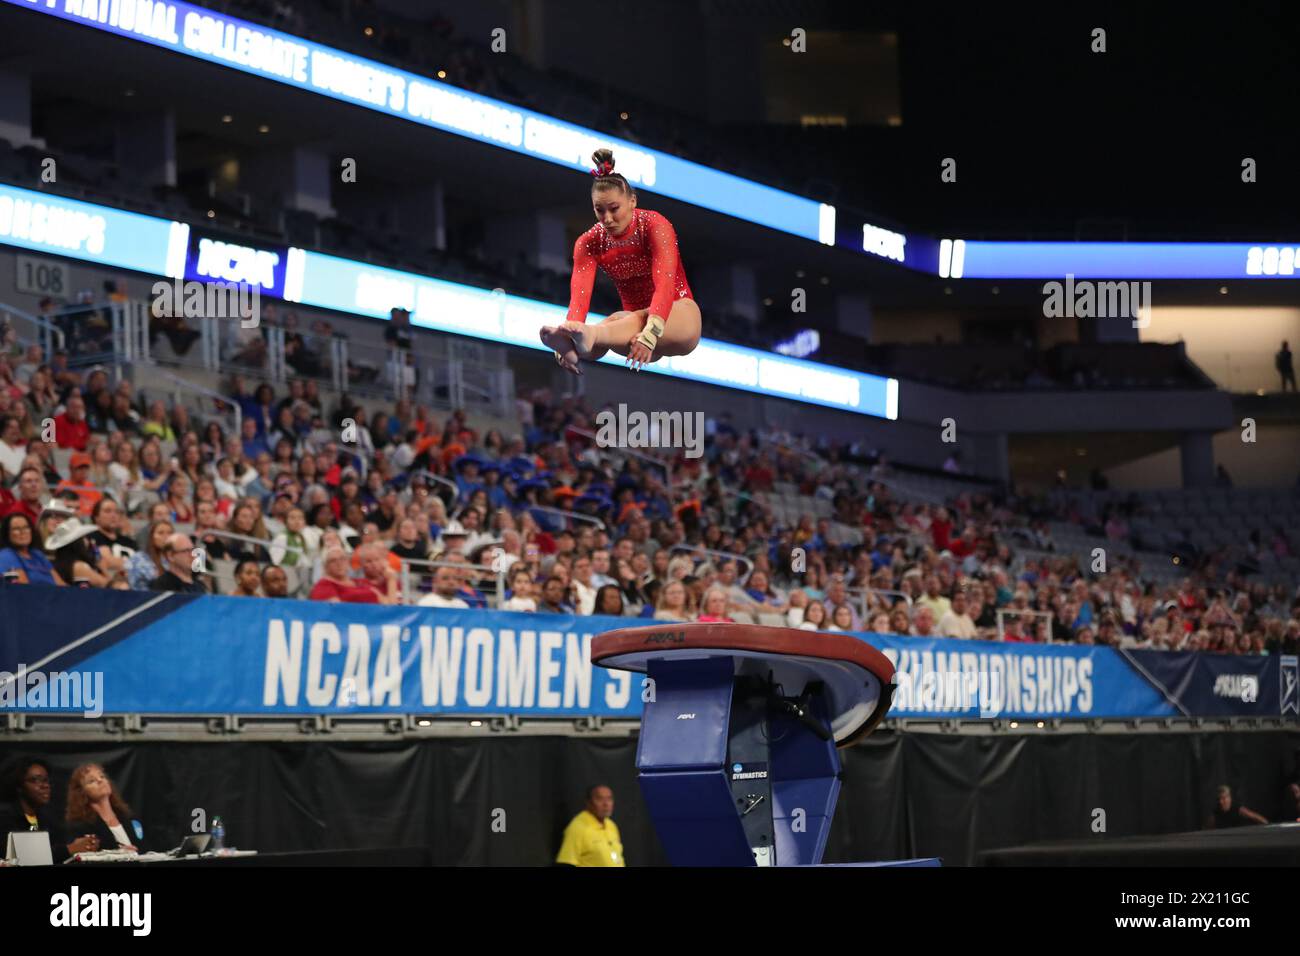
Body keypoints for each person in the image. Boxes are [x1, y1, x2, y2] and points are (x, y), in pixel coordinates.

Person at [540, 148, 701, 374]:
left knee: (628, 321)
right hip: (634, 330)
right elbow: (579, 300)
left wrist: (651, 333)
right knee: (613, 322)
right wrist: (569, 334)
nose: (607, 218)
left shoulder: (654, 225)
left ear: (632, 201)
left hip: (679, 317)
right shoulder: (589, 242)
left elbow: (665, 283)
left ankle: (589, 336)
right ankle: (572, 347)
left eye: (614, 209)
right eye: (599, 210)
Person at [4, 758, 98, 862]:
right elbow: (24, 857)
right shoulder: (6, 818)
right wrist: (70, 849)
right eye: (36, 780)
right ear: (19, 786)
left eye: (46, 780)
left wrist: (85, 845)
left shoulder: (46, 820)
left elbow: (57, 850)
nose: (45, 785)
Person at [64, 763, 147, 852]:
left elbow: (145, 849)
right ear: (81, 792)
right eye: (91, 781)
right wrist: (118, 854)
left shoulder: (128, 817)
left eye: (102, 776)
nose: (100, 780)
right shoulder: (80, 826)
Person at [555, 784, 624, 867]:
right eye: (600, 799)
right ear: (589, 803)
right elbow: (566, 863)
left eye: (609, 798)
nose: (606, 804)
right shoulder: (578, 828)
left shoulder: (611, 825)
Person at [0, 512, 60, 585]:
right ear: (7, 533)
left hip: (55, 595)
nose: (22, 532)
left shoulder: (38, 554)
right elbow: (25, 590)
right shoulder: (6, 555)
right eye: (16, 529)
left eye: (26, 527)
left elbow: (61, 584)